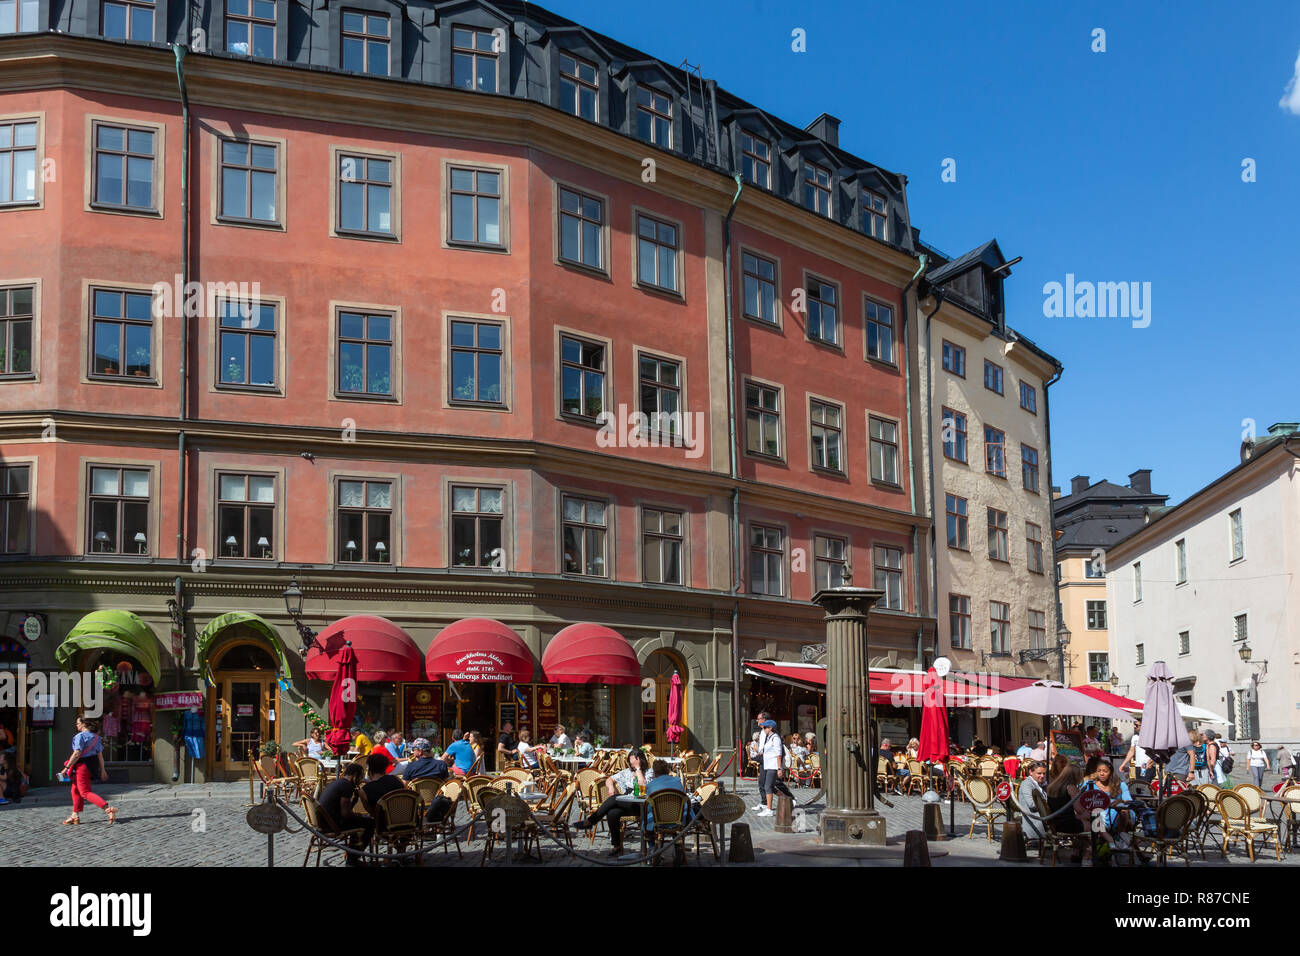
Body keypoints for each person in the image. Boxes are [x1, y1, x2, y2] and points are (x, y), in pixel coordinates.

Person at [576, 750, 653, 856]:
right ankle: (617, 846)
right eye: (629, 761)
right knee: (613, 813)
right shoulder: (626, 772)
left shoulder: (649, 772)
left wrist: (638, 769)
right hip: (629, 804)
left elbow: (643, 784)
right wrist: (611, 787)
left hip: (642, 806)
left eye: (632, 760)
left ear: (639, 759)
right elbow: (609, 779)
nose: (631, 763)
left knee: (614, 799)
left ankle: (590, 821)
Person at [61, 716, 117, 826]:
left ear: (84, 724)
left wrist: (66, 768)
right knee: (75, 790)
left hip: (82, 765)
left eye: (78, 723)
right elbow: (100, 756)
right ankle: (74, 815)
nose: (76, 725)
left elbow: (77, 753)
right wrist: (103, 770)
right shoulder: (96, 737)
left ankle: (108, 809)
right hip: (91, 765)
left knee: (85, 792)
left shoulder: (80, 736)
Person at [317, 763, 373, 865]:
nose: (361, 781)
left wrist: (355, 801)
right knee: (370, 824)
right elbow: (345, 814)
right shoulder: (346, 786)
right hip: (332, 825)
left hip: (323, 822)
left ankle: (352, 856)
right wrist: (358, 816)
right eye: (360, 777)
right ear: (355, 776)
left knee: (360, 821)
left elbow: (344, 810)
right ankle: (352, 859)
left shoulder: (338, 782)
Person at [1082, 756, 1132, 853]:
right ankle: (1112, 842)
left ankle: (1120, 838)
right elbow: (1080, 799)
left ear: (1111, 773)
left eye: (1105, 771)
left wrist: (1120, 801)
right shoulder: (1090, 785)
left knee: (1124, 811)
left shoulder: (1120, 785)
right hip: (1097, 817)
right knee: (1096, 816)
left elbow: (1128, 801)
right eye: (1099, 771)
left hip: (1117, 816)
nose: (1101, 773)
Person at [755, 720, 790, 816]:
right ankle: (788, 801)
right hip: (768, 765)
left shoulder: (775, 738)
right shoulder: (769, 738)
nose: (764, 729)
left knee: (768, 786)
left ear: (770, 728)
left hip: (773, 765)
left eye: (765, 727)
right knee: (771, 787)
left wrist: (779, 768)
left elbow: (778, 754)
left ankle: (769, 810)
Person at [1018, 761, 1048, 842]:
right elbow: (1031, 804)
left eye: (1044, 773)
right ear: (1031, 772)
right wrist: (1048, 805)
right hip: (1035, 822)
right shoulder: (1027, 784)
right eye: (1039, 773)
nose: (1042, 776)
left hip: (1042, 818)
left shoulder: (1039, 783)